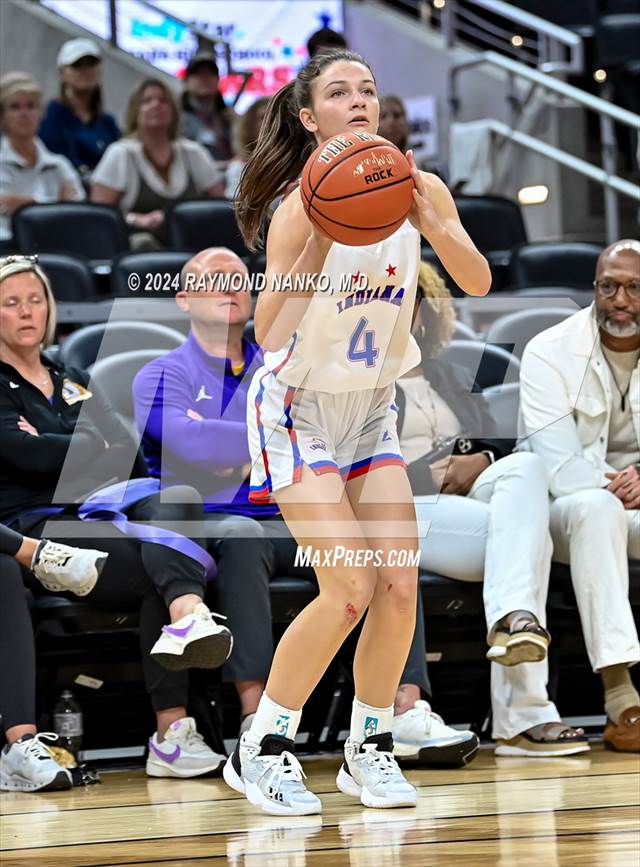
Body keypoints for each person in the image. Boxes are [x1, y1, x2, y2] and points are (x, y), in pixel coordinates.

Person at [223, 48, 491, 815]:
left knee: (399, 583)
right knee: (348, 588)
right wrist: (316, 247)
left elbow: (477, 280)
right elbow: (268, 334)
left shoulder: (421, 185)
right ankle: (262, 745)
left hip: (372, 407)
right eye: (340, 91)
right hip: (298, 408)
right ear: (310, 118)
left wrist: (434, 224)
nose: (360, 100)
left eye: (368, 88)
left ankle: (367, 748)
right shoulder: (298, 208)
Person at [132, 246, 479, 767]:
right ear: (183, 299)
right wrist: (269, 438)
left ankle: (403, 709)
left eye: (239, 279)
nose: (231, 288)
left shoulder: (284, 359)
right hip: (224, 524)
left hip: (294, 513)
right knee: (243, 545)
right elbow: (190, 447)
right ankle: (256, 718)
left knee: (387, 558)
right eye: (214, 278)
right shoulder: (161, 372)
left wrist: (246, 444)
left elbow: (332, 432)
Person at [0, 255, 232, 791]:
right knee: (165, 556)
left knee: (168, 536)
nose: (27, 312)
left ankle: (172, 731)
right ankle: (183, 643)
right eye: (11, 303)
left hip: (95, 514)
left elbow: (126, 453)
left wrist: (61, 447)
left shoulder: (71, 376)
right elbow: (21, 456)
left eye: (34, 300)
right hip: (32, 525)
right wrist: (88, 442)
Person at [400, 262, 588, 756]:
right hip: (403, 511)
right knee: (528, 537)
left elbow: (498, 441)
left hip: (471, 503)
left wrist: (480, 460)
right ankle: (523, 716)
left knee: (527, 467)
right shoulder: (355, 384)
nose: (397, 310)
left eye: (408, 300)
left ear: (426, 312)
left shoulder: (453, 375)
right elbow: (349, 471)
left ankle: (514, 620)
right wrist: (425, 475)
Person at [518, 238, 640, 753]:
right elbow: (561, 470)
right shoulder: (549, 350)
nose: (620, 301)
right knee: (596, 508)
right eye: (608, 287)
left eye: (634, 288)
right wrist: (623, 485)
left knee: (605, 509)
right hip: (566, 511)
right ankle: (621, 697)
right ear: (594, 288)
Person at [91, 78, 224, 250]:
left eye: (163, 100)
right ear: (135, 110)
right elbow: (98, 216)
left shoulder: (193, 152)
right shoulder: (120, 153)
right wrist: (137, 219)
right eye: (147, 101)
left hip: (192, 242)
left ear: (174, 110)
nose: (156, 105)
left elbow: (220, 207)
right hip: (138, 246)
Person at [0, 73, 84, 248]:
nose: (24, 114)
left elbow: (78, 212)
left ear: (40, 113)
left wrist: (23, 203)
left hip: (55, 247)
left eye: (31, 106)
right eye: (15, 107)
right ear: (2, 117)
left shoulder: (60, 164)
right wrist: (57, 204)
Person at [38, 38, 120, 178]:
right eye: (77, 65)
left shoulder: (108, 123)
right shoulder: (52, 116)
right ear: (62, 74)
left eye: (91, 64)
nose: (85, 70)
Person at [0, 520, 106, 595]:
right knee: (6, 567)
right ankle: (36, 554)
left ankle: (37, 554)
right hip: (22, 520)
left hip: (63, 511)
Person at [181, 52, 233, 162]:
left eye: (210, 73)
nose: (205, 78)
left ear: (218, 80)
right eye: (197, 73)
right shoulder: (177, 120)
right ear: (186, 81)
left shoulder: (230, 118)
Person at [224, 97, 269, 199]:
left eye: (275, 117)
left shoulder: (297, 163)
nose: (270, 122)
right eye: (263, 117)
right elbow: (235, 205)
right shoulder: (239, 167)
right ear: (250, 125)